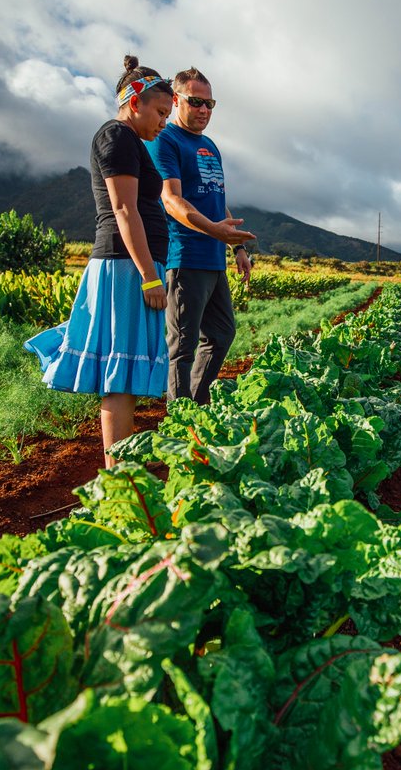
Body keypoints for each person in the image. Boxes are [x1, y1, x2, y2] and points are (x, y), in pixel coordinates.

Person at [25, 56, 174, 466]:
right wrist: (148, 276)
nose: (164, 122)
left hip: (133, 265)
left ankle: (121, 470)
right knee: (118, 375)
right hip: (126, 267)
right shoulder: (117, 137)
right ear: (134, 100)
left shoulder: (130, 141)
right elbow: (125, 211)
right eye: (161, 112)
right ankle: (118, 475)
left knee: (120, 372)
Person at [146, 65, 255, 404]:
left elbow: (214, 197)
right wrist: (217, 233)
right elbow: (171, 200)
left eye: (210, 104)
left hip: (213, 258)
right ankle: (180, 422)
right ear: (176, 100)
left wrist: (236, 247)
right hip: (185, 255)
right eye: (196, 102)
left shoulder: (209, 145)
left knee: (222, 332)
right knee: (183, 346)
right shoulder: (165, 139)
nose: (204, 110)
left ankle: (196, 400)